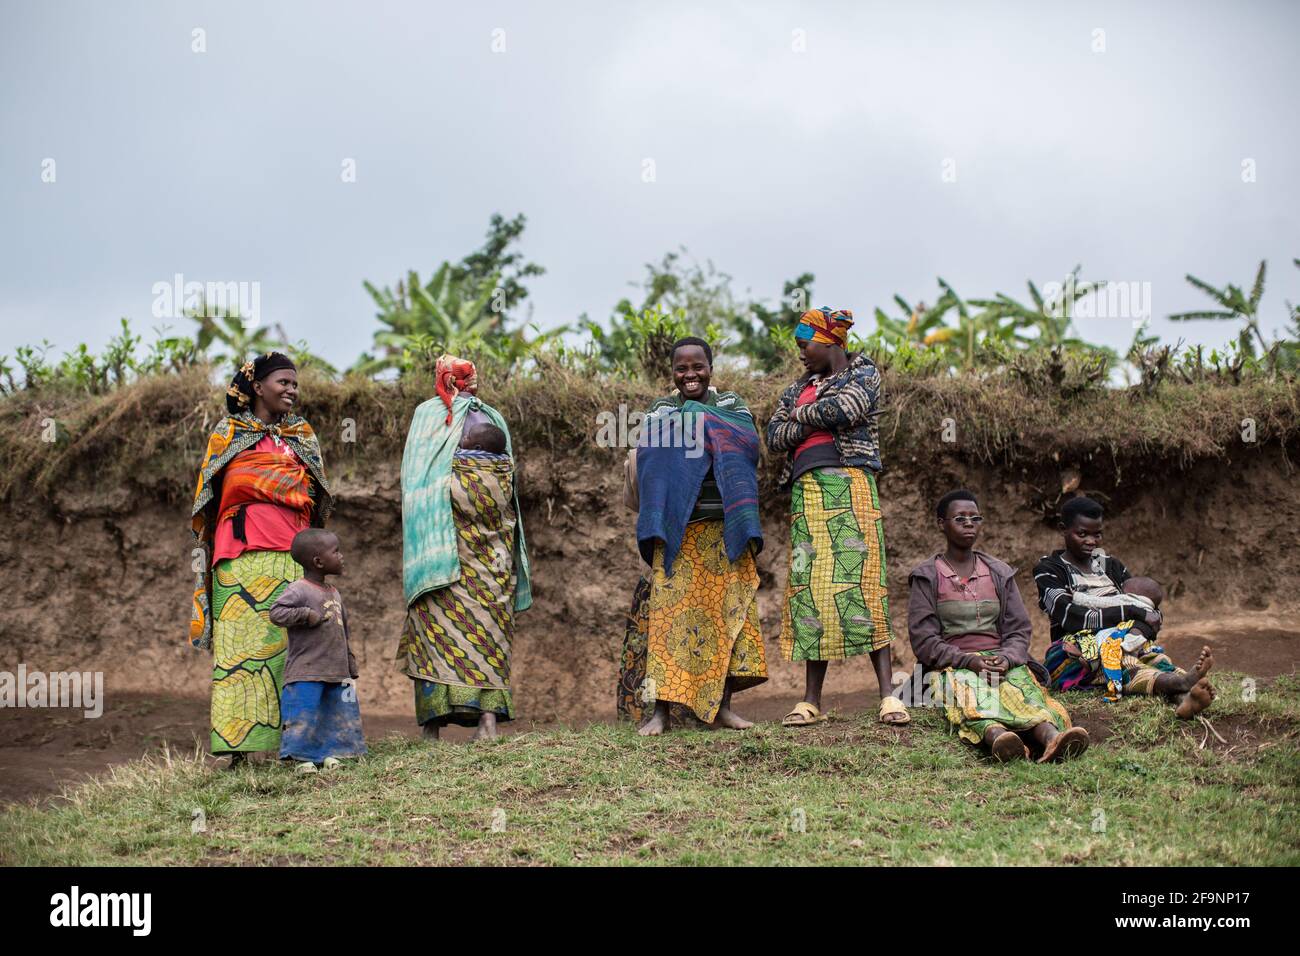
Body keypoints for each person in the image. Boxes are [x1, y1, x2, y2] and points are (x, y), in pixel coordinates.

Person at [765, 307, 907, 727]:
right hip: (807, 492)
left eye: (805, 344)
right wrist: (810, 416)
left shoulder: (864, 372)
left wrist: (803, 416)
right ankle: (810, 701)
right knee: (812, 590)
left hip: (852, 486)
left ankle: (888, 697)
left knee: (863, 584)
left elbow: (848, 408)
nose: (801, 354)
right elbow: (774, 437)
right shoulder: (797, 388)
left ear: (829, 342)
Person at [190, 352, 333, 766]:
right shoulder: (227, 433)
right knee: (238, 657)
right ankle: (235, 751)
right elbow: (211, 497)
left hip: (293, 560)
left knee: (292, 654)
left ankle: (295, 747)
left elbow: (315, 499)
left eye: (295, 384)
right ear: (257, 388)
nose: (292, 390)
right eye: (283, 383)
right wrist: (267, 483)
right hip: (239, 560)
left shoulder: (302, 435)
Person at [634, 337, 767, 735]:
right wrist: (706, 429)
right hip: (678, 534)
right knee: (667, 623)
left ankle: (722, 708)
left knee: (728, 618)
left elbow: (747, 443)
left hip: (723, 530)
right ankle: (660, 712)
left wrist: (695, 427)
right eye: (681, 368)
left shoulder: (731, 404)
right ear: (672, 372)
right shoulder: (660, 409)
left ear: (711, 367)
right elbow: (652, 452)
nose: (689, 375)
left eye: (698, 367)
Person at [395, 355, 532, 741]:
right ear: (450, 379)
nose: (471, 383)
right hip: (445, 546)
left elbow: (505, 476)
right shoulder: (429, 416)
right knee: (445, 630)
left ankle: (480, 722)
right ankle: (437, 726)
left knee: (485, 630)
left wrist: (474, 482)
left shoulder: (490, 415)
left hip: (487, 545)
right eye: (465, 377)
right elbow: (418, 479)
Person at [908, 490, 1089, 762]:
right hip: (953, 664)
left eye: (975, 518)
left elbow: (1018, 629)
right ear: (941, 524)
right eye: (960, 518)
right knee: (971, 693)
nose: (969, 523)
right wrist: (968, 661)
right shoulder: (927, 575)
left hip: (999, 658)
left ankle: (1052, 738)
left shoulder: (999, 572)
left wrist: (1006, 659)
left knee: (1022, 688)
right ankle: (999, 739)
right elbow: (923, 640)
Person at [1034, 496, 1215, 719]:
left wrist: (1139, 626)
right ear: (1063, 529)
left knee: (1155, 660)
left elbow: (1149, 610)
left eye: (1097, 534)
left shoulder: (1111, 566)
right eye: (1082, 534)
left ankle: (1185, 698)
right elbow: (1071, 616)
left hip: (1124, 639)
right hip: (1076, 653)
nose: (1091, 541)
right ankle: (1182, 682)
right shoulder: (1049, 569)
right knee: (1124, 663)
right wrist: (1133, 614)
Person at [269, 529, 365, 773]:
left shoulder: (335, 592)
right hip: (307, 670)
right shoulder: (299, 589)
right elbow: (276, 613)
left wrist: (349, 661)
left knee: (338, 711)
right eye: (336, 551)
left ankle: (334, 753)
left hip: (337, 670)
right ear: (318, 561)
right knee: (306, 712)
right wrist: (304, 614)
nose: (342, 556)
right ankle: (303, 759)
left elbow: (343, 630)